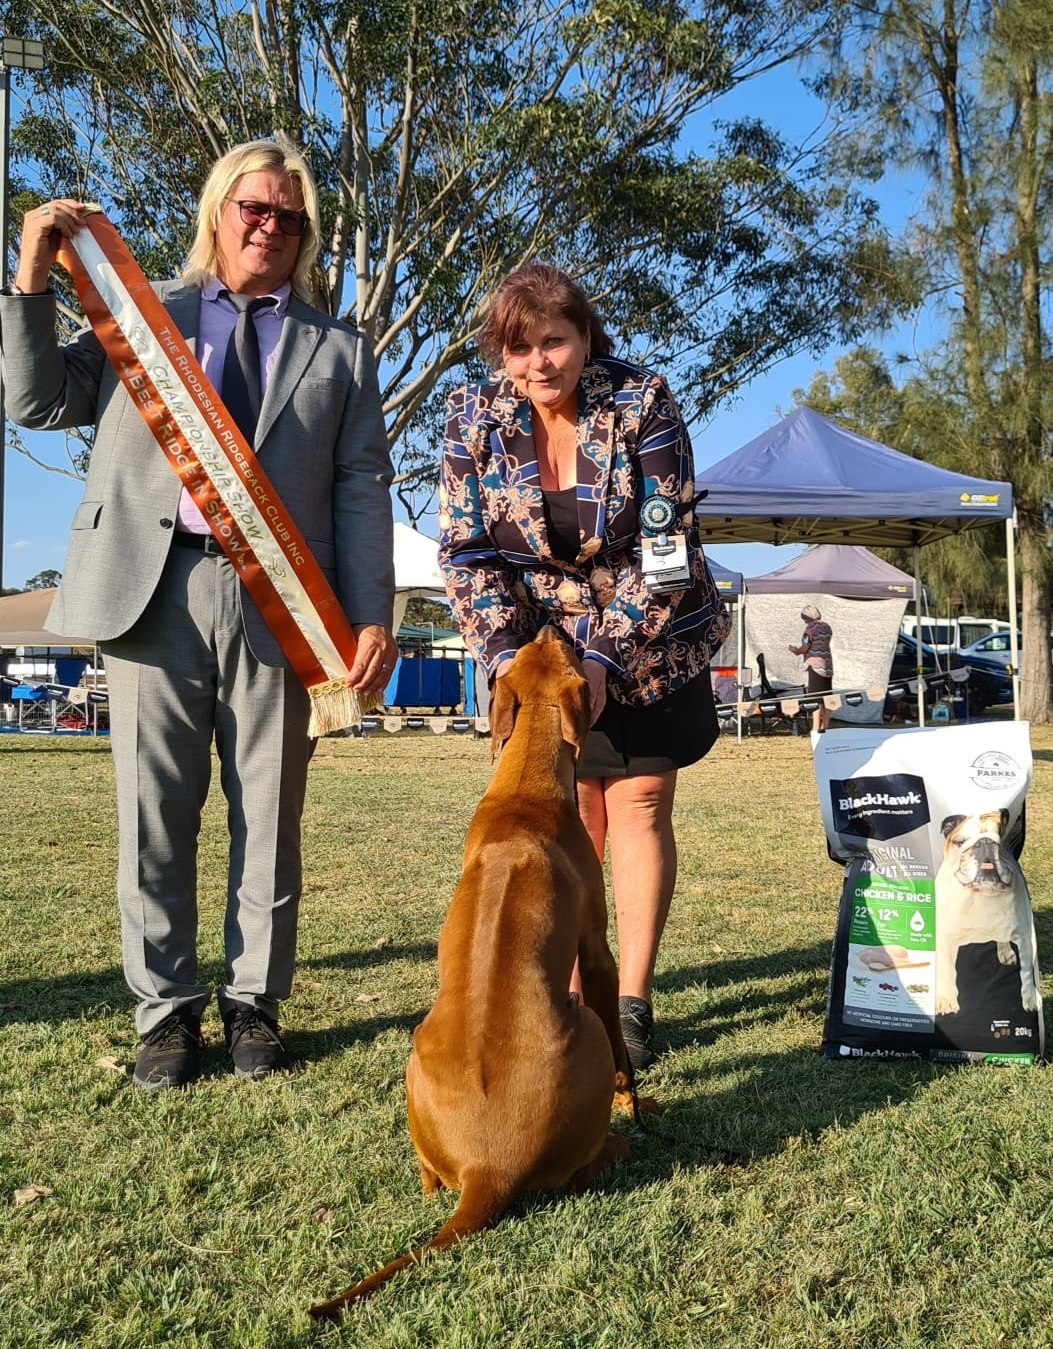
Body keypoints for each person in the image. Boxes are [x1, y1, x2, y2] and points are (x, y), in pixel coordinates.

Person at [0, 138, 397, 1088]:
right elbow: (35, 401)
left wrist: (369, 613)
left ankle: (254, 1003)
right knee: (155, 818)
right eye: (254, 208)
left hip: (282, 604)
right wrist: (31, 278)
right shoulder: (142, 318)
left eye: (289, 217)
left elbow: (360, 487)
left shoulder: (341, 350)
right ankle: (167, 1013)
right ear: (217, 213)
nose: (270, 227)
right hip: (151, 592)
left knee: (271, 817)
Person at [438, 262, 729, 1072]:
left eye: (555, 342)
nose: (539, 363)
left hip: (652, 633)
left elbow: (667, 549)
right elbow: (465, 553)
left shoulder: (642, 400)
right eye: (519, 349)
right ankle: (574, 990)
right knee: (569, 816)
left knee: (638, 803)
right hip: (538, 653)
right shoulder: (470, 416)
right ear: (500, 355)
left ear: (585, 338)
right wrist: (505, 659)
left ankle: (629, 1002)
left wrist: (603, 653)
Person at [789, 605, 834, 733]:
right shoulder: (827, 627)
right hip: (827, 664)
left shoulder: (810, 628)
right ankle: (825, 726)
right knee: (827, 697)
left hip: (815, 666)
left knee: (815, 698)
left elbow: (805, 647)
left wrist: (795, 651)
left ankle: (816, 727)